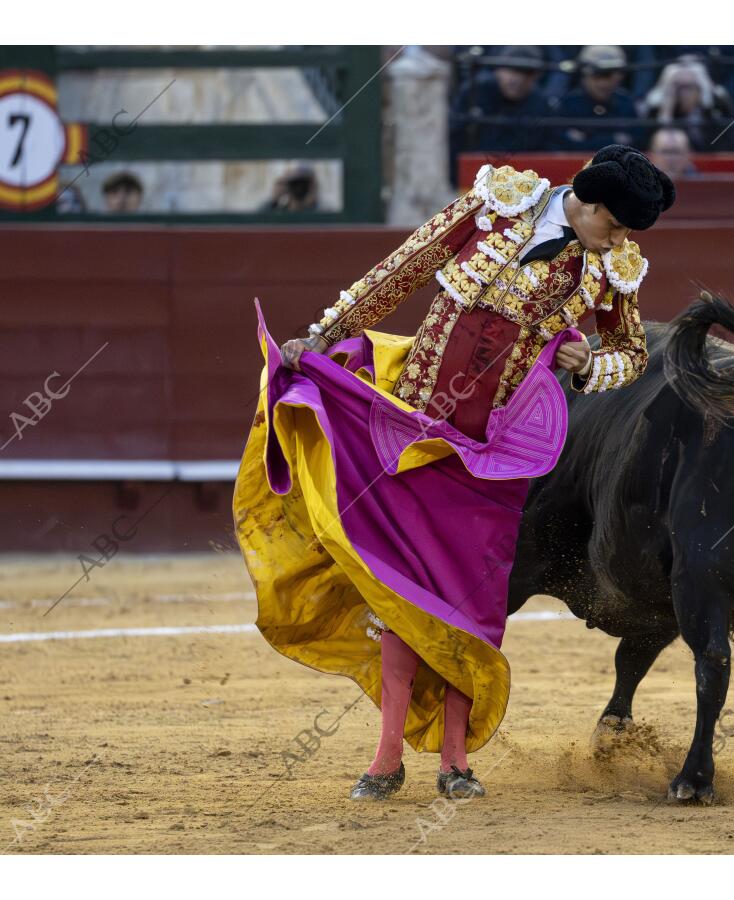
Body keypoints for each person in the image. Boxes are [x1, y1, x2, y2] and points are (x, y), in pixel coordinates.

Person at [233, 144, 675, 802]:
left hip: (492, 454)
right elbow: (403, 270)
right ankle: (386, 757)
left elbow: (631, 353)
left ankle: (456, 761)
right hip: (411, 429)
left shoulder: (612, 268)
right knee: (404, 591)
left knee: (469, 603)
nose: (618, 242)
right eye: (613, 226)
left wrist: (589, 365)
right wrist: (323, 337)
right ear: (587, 202)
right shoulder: (498, 205)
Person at [450, 46, 554, 155]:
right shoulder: (475, 93)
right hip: (477, 164)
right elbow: (453, 136)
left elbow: (551, 148)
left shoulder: (541, 104)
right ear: (498, 70)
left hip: (522, 165)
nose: (519, 79)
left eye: (527, 72)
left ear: (536, 76)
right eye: (512, 70)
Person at [639, 55, 734, 151]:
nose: (684, 94)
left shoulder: (714, 110)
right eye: (679, 87)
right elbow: (656, 144)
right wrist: (667, 107)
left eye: (689, 87)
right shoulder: (658, 112)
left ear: (700, 88)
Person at [552, 46, 642, 151]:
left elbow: (637, 143)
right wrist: (615, 139)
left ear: (620, 76)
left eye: (610, 74)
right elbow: (562, 144)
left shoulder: (626, 104)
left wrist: (585, 140)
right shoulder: (568, 104)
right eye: (597, 74)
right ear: (584, 75)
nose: (603, 83)